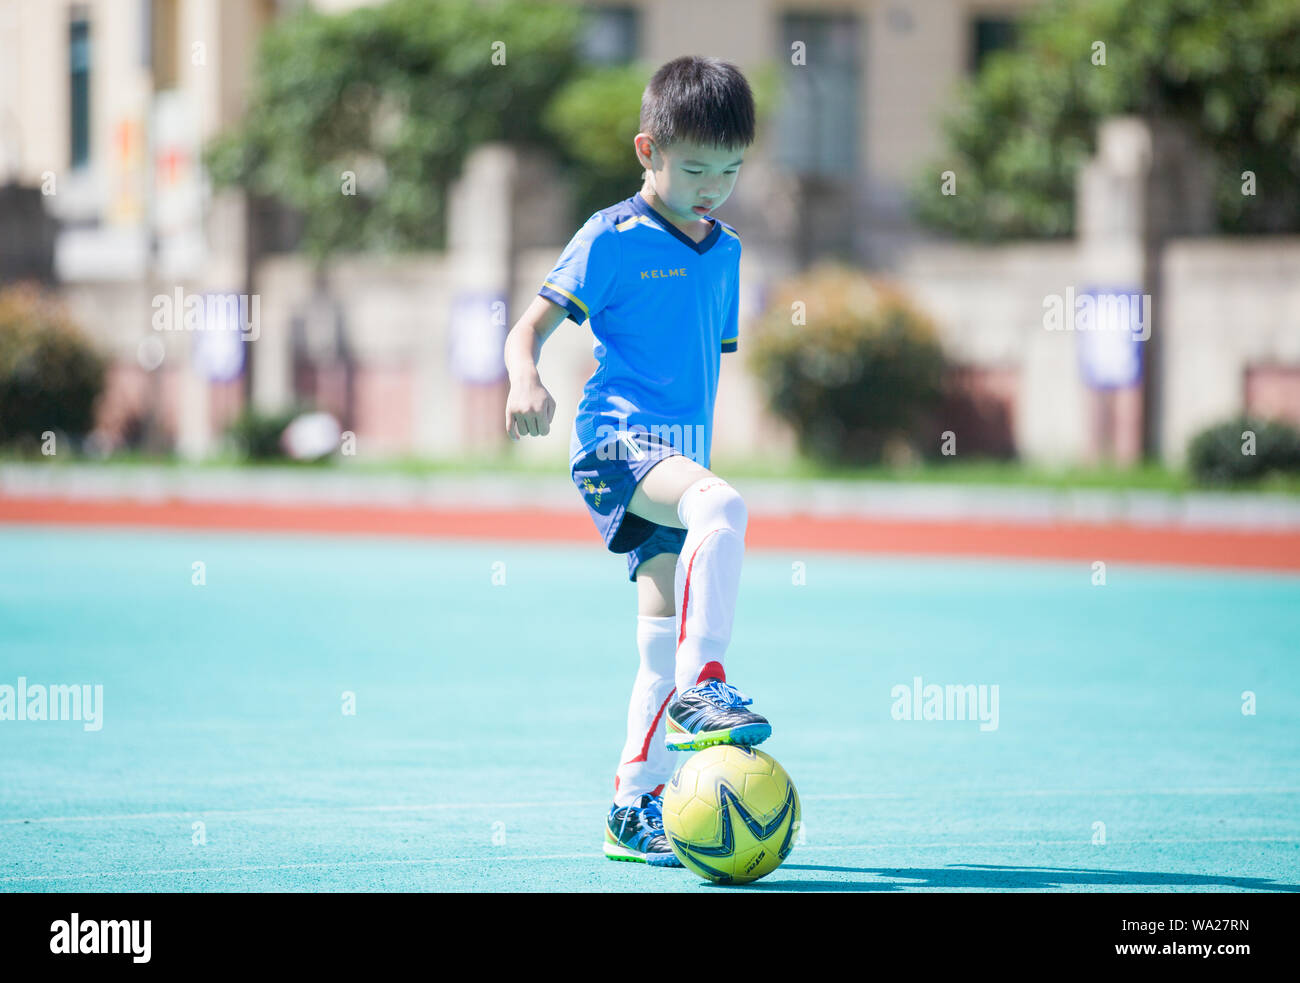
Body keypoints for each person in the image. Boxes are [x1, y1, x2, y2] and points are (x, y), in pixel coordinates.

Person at [502, 55, 768, 868]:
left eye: (729, 170)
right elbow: (528, 332)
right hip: (614, 445)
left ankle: (631, 803)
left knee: (658, 638)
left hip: (678, 455)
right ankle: (706, 683)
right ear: (647, 150)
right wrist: (524, 379)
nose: (712, 186)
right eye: (694, 168)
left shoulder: (725, 251)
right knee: (722, 508)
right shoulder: (609, 237)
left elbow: (698, 363)